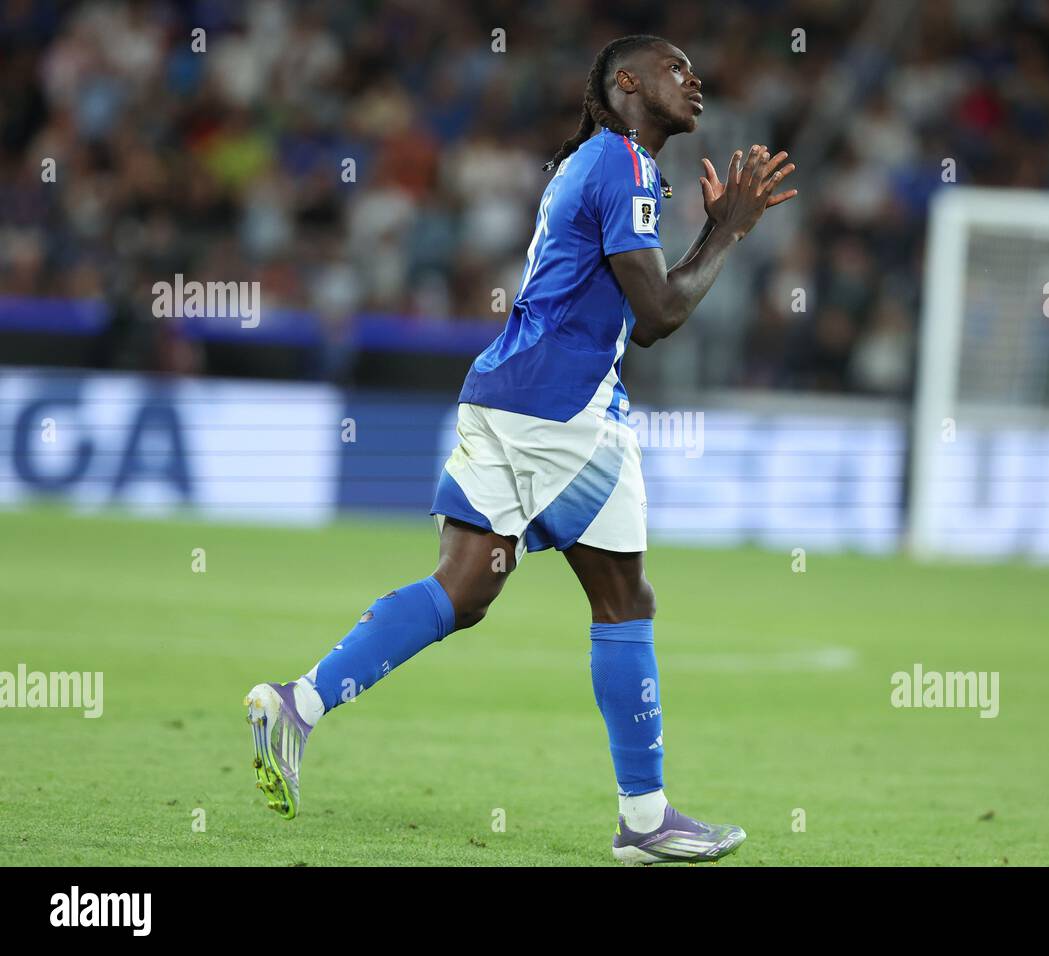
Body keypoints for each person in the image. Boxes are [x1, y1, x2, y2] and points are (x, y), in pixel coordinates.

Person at [244, 34, 796, 865]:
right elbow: (657, 319)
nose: (697, 81)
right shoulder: (622, 164)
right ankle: (645, 821)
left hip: (504, 394)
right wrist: (729, 233)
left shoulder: (597, 165)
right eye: (677, 69)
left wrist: (711, 231)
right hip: (567, 411)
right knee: (624, 602)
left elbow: (639, 306)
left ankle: (298, 705)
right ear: (629, 84)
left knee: (463, 591)